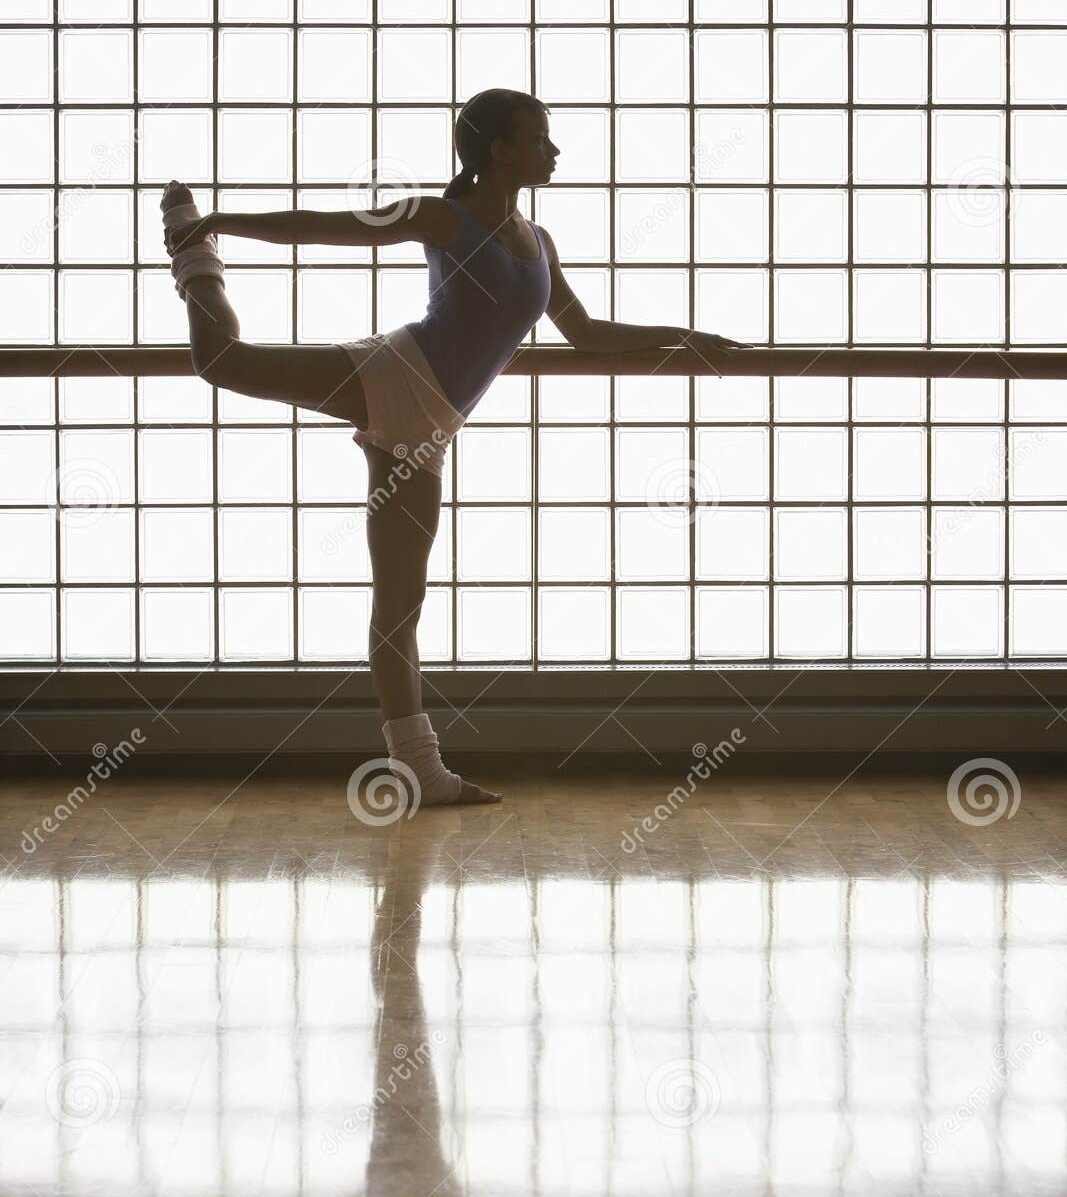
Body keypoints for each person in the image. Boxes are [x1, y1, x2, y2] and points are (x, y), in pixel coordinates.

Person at [162, 88, 739, 808]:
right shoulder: (444, 215)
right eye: (539, 139)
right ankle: (192, 254)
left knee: (401, 602)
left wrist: (680, 336)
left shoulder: (540, 243)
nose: (553, 152)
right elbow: (331, 227)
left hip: (430, 428)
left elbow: (586, 332)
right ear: (499, 149)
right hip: (391, 373)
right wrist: (222, 222)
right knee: (223, 362)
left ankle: (422, 774)